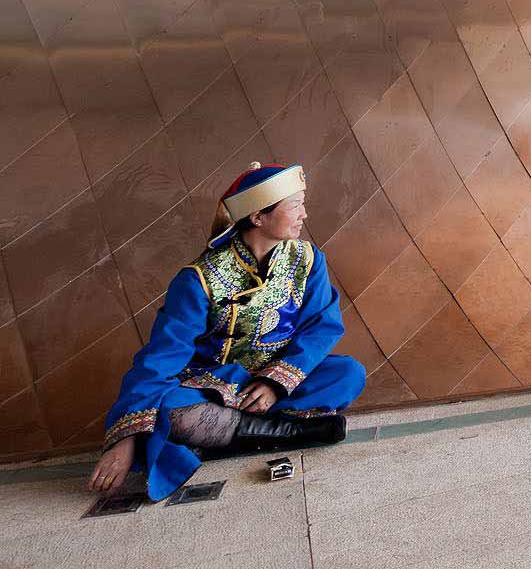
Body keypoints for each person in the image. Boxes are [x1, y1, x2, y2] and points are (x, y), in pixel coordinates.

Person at [87, 163, 365, 501]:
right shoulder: (199, 279)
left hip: (276, 381)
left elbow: (322, 325)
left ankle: (228, 434)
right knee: (172, 408)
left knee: (348, 374)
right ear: (258, 217)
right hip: (214, 387)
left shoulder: (307, 259)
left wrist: (275, 383)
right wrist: (125, 439)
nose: (304, 214)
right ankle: (293, 431)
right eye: (295, 205)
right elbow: (160, 358)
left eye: (302, 203)